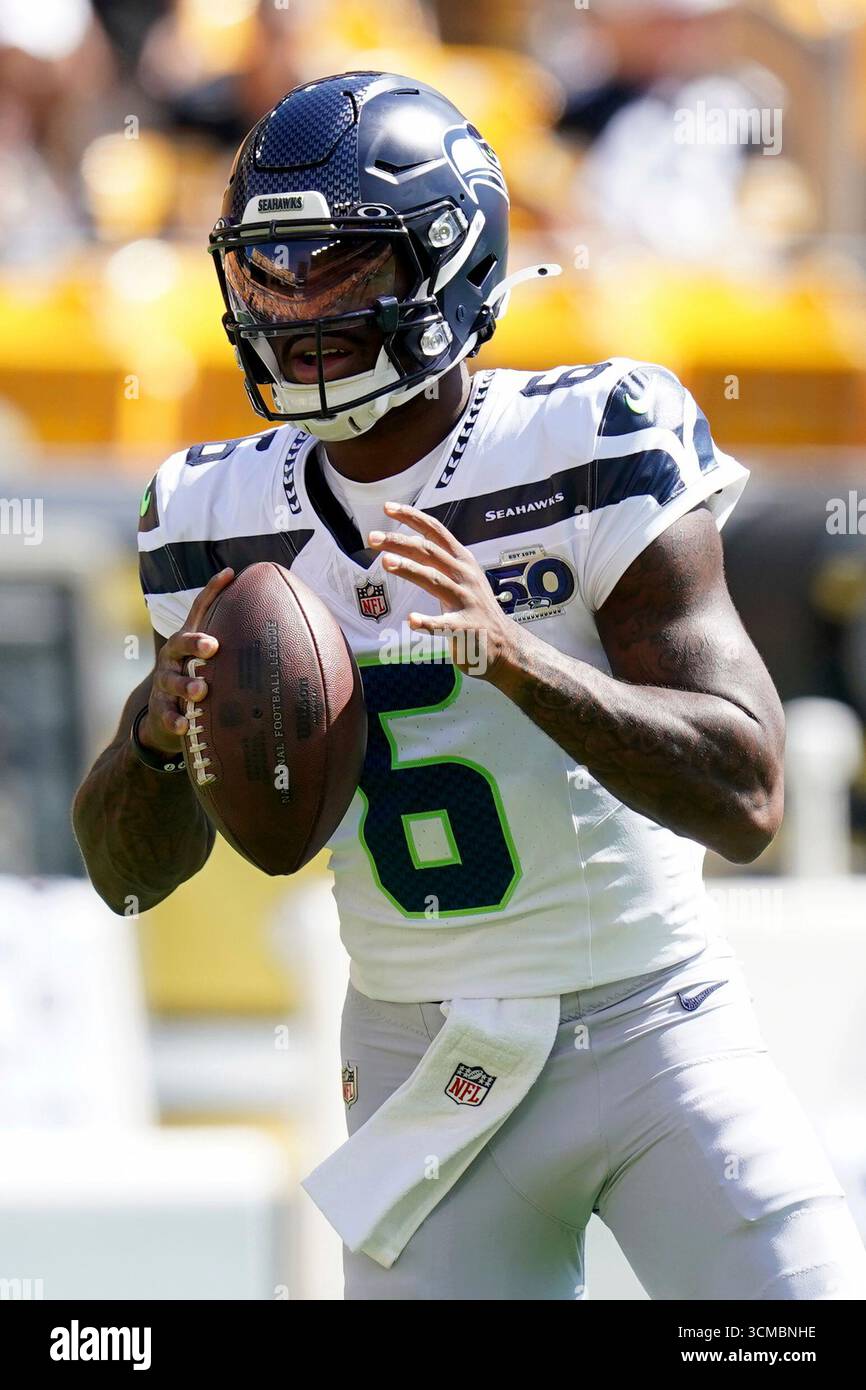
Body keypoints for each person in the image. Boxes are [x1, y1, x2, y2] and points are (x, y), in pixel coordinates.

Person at [73, 72, 866, 1300]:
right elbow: (128, 875)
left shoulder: (587, 441)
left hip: (653, 1035)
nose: (298, 314)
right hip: (415, 1060)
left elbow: (747, 795)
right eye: (267, 274)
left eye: (341, 271)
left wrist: (516, 656)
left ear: (448, 270)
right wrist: (159, 736)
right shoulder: (209, 513)